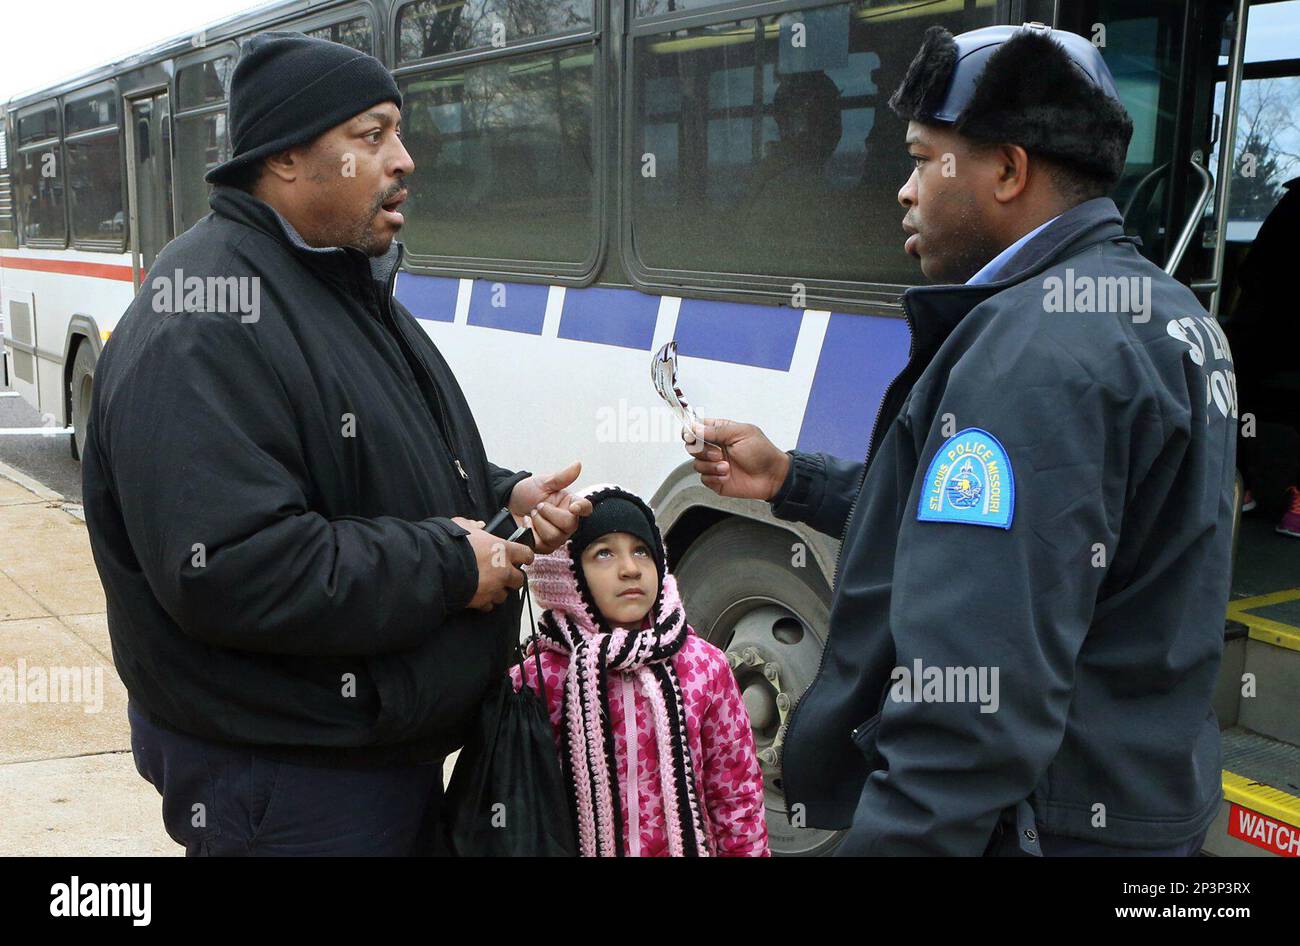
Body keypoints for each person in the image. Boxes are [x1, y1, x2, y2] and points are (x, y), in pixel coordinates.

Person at [685, 23, 1237, 855]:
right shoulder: (1171, 313)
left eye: (920, 158)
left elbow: (965, 723)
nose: (904, 190)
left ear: (1009, 170)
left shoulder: (1031, 353)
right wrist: (793, 479)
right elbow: (1013, 527)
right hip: (1152, 804)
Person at [82, 31, 591, 856]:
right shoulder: (202, 320)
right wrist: (452, 565)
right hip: (286, 777)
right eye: (373, 133)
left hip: (359, 746)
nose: (405, 159)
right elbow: (233, 566)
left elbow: (366, 458)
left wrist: (503, 499)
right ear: (285, 157)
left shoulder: (332, 279)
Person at [513, 485, 769, 857]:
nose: (630, 569)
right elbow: (516, 802)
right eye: (603, 553)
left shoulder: (703, 667)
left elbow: (735, 791)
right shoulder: (540, 678)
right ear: (567, 577)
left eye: (641, 551)